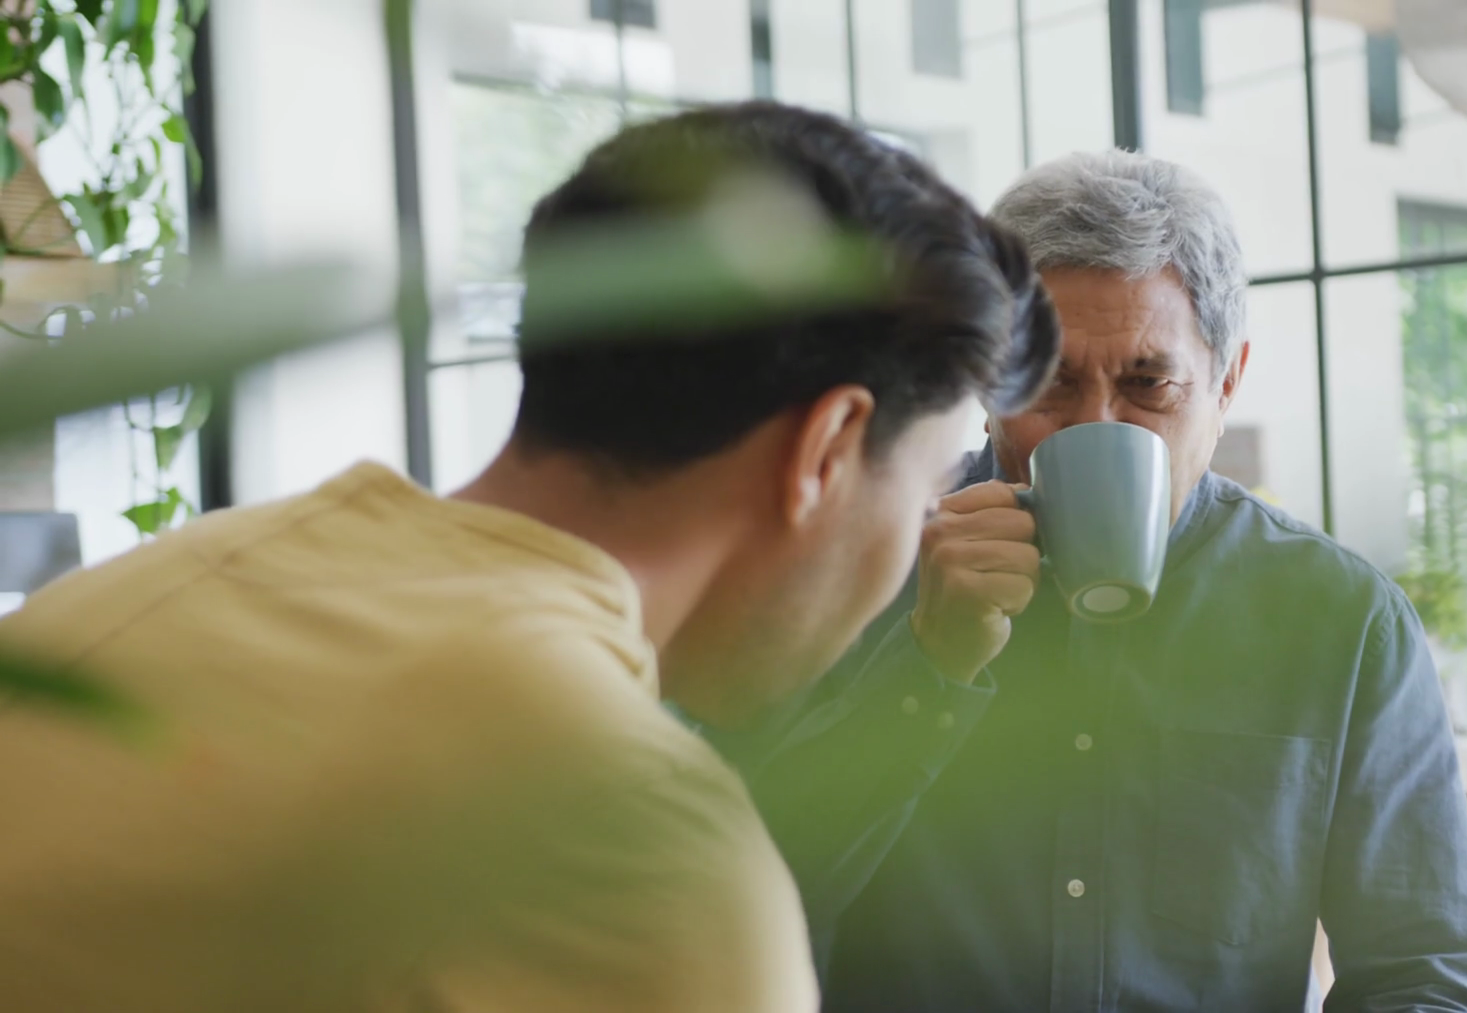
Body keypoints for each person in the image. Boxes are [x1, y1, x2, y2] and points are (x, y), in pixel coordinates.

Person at [0, 102, 1058, 1013]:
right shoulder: (634, 846)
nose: (920, 534)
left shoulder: (137, 595)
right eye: (924, 488)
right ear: (826, 449)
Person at [715, 151, 1467, 1012]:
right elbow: (732, 910)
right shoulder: (851, 571)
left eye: (1147, 384)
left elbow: (1430, 977)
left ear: (1225, 381)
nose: (1095, 423)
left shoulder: (1337, 619)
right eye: (1050, 382)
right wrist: (927, 665)